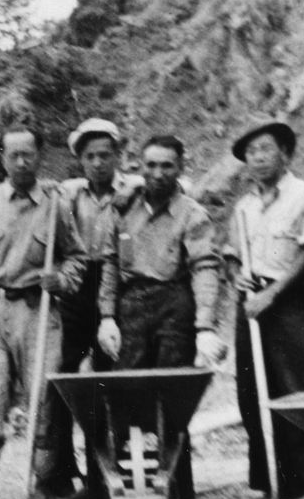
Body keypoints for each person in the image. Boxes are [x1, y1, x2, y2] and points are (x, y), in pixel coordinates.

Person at [0, 127, 88, 499]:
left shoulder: (55, 205)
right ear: (2, 157)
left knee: (43, 399)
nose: (22, 162)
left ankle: (42, 486)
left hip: (39, 311)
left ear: (39, 157)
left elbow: (76, 257)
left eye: (29, 155)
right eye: (14, 155)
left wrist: (61, 280)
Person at [224, 118, 304, 499]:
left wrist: (271, 296)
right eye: (250, 153)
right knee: (254, 399)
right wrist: (236, 275)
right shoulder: (243, 207)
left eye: (265, 150)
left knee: (301, 399)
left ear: (285, 154)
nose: (256, 159)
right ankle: (278, 490)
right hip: (250, 309)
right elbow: (232, 256)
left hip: (291, 308)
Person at [52, 118, 143, 499]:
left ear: (118, 156)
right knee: (64, 380)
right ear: (80, 160)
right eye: (89, 157)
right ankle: (63, 474)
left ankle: (114, 475)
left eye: (105, 155)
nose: (98, 163)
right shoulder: (71, 193)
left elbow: (176, 188)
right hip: (78, 286)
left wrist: (134, 190)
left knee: (113, 384)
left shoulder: (134, 189)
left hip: (120, 287)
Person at [96, 134, 227, 370]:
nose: (158, 174)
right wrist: (107, 317)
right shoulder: (123, 208)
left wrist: (205, 328)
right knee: (128, 391)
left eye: (167, 166)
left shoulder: (193, 215)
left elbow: (205, 269)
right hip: (131, 307)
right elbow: (110, 262)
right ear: (141, 167)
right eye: (151, 165)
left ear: (180, 168)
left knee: (172, 388)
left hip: (174, 310)